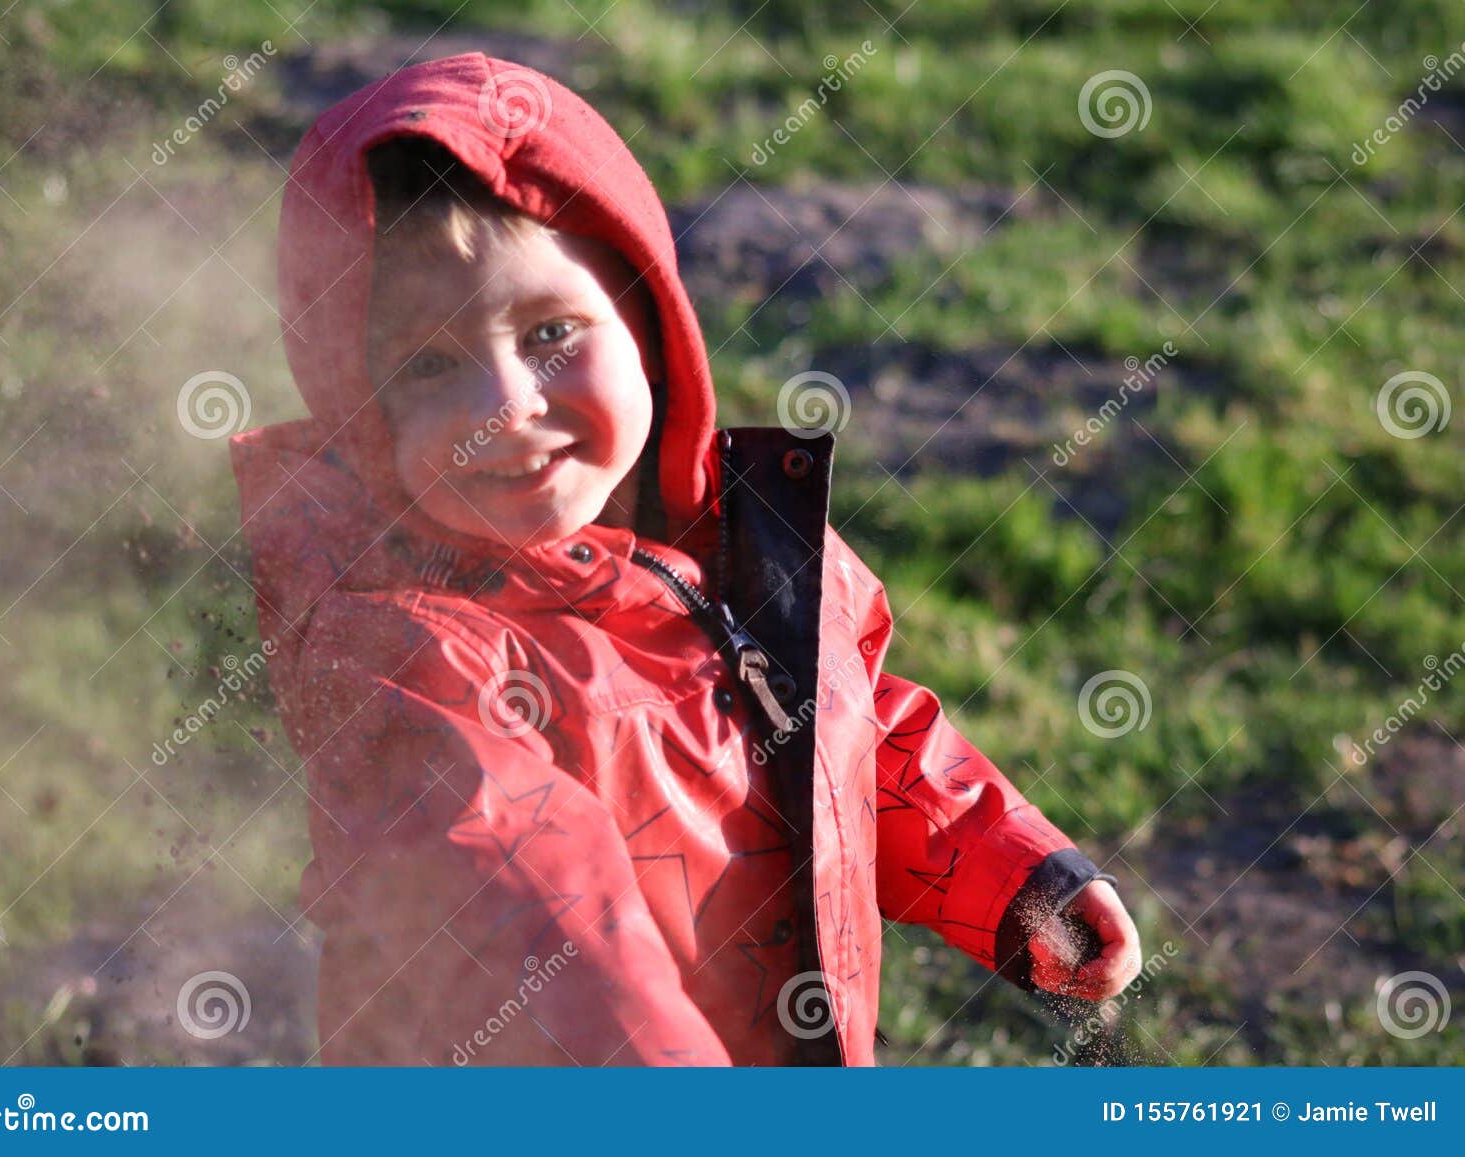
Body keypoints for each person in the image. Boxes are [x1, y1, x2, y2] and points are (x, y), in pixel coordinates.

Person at [228, 51, 1141, 1066]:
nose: (503, 407)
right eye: (429, 365)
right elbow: (521, 909)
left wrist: (1019, 880)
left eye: (549, 332)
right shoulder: (403, 653)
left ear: (648, 322)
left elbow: (844, 727)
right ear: (359, 409)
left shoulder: (743, 544)